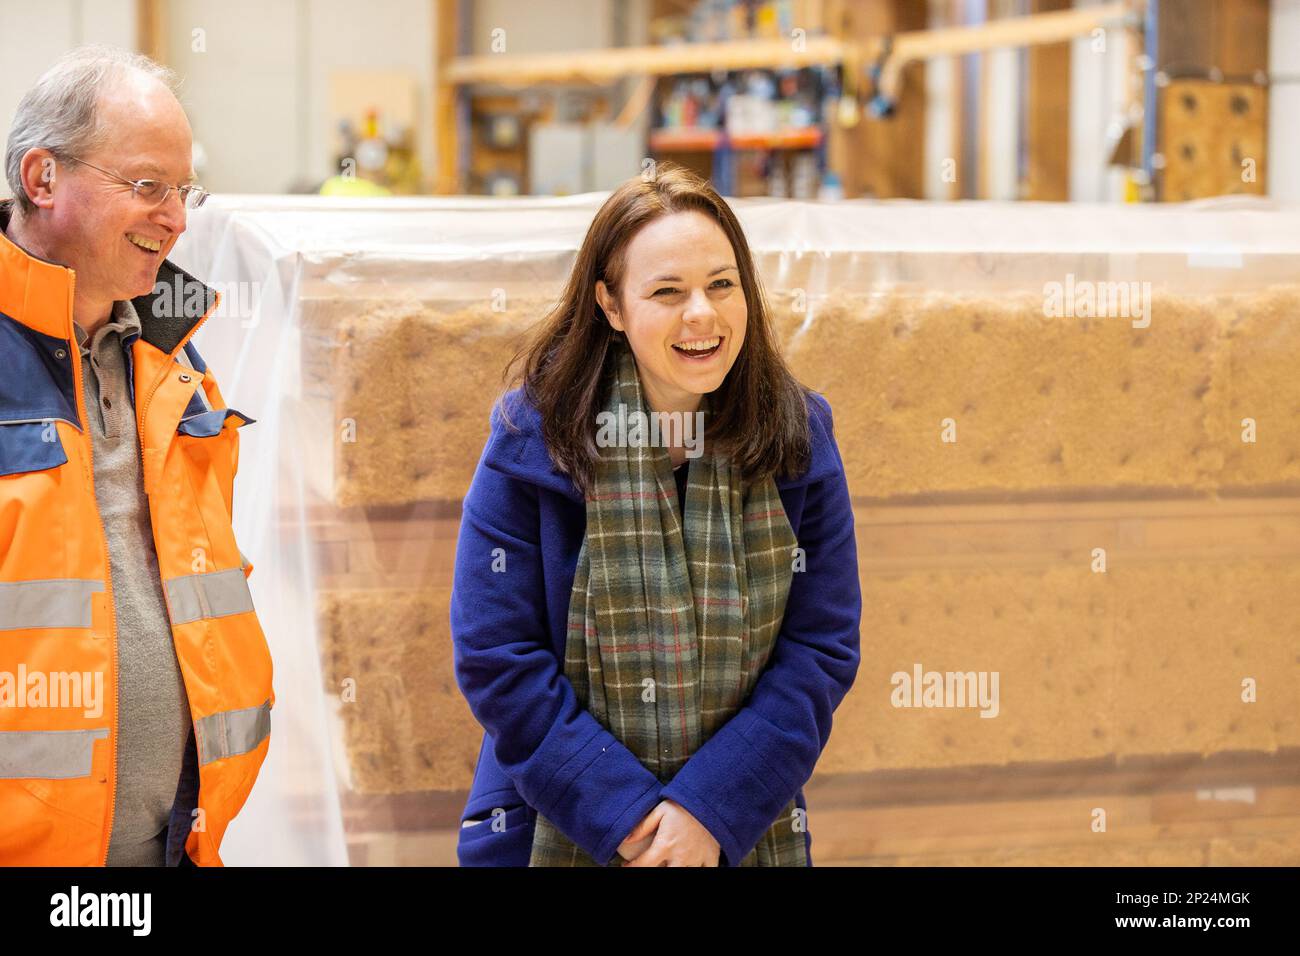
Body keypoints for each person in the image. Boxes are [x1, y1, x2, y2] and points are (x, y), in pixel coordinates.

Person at [450, 161, 860, 866]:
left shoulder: (797, 439)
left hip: (740, 831)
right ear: (611, 306)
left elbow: (819, 652)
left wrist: (709, 812)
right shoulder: (532, 442)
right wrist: (633, 821)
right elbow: (497, 657)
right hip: (561, 827)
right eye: (667, 292)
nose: (701, 314)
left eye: (721, 285)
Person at [0, 46, 274, 866]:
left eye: (183, 193)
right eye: (148, 186)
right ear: (41, 178)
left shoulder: (176, 358)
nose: (177, 219)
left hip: (175, 847)